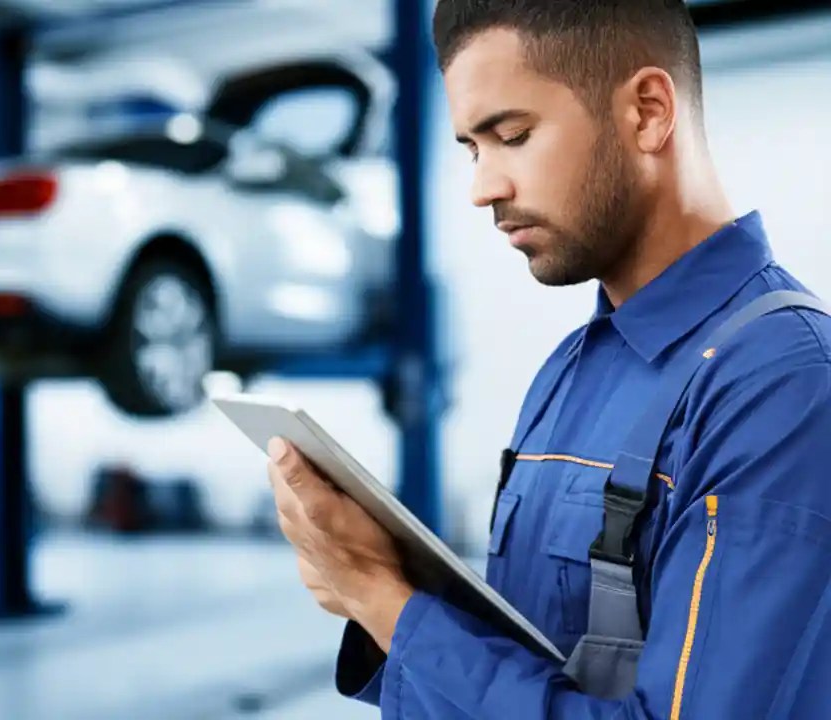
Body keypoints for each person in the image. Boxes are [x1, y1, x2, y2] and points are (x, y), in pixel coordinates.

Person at [265, 1, 831, 717]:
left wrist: (386, 601)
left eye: (513, 136)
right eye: (474, 149)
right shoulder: (570, 370)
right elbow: (542, 662)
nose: (483, 188)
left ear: (649, 112)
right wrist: (381, 584)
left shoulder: (782, 386)